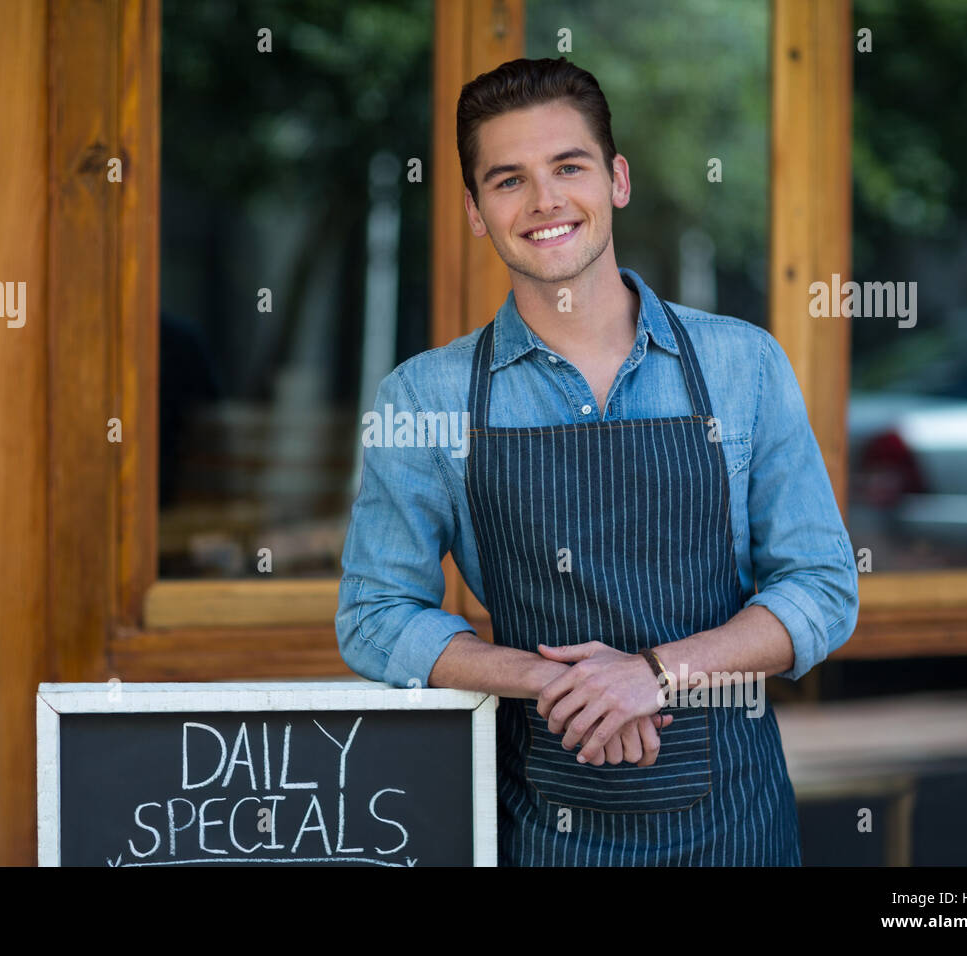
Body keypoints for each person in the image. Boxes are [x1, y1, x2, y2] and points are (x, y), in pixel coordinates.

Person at [335, 56, 858, 866]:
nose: (544, 201)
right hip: (537, 825)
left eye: (568, 167)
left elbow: (823, 588)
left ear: (615, 179)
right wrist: (554, 682)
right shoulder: (424, 396)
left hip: (738, 823)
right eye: (508, 180)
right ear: (476, 212)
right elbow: (374, 616)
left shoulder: (742, 365)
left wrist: (655, 672)